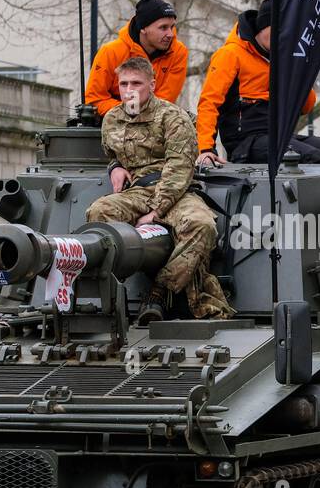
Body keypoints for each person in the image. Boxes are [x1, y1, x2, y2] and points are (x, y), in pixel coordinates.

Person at [87, 57, 233, 325]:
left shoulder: (172, 117)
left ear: (152, 84)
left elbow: (180, 166)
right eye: (124, 83)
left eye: (137, 83)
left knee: (202, 225)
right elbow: (113, 153)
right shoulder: (112, 119)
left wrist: (156, 211)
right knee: (99, 212)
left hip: (175, 193)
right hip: (137, 192)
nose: (129, 89)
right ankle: (111, 296)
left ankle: (160, 291)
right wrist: (115, 167)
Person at [196, 0, 320, 165]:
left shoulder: (283, 59)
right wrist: (206, 150)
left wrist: (297, 71)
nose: (281, 34)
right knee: (316, 159)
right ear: (262, 25)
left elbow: (306, 107)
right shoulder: (230, 55)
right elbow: (208, 103)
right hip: (247, 143)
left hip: (281, 136)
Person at [86, 0, 188, 115]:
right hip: (115, 123)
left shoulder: (179, 52)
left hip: (156, 122)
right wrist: (127, 111)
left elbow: (166, 99)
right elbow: (95, 98)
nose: (170, 34)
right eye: (163, 28)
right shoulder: (110, 52)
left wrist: (140, 113)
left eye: (172, 27)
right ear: (143, 28)